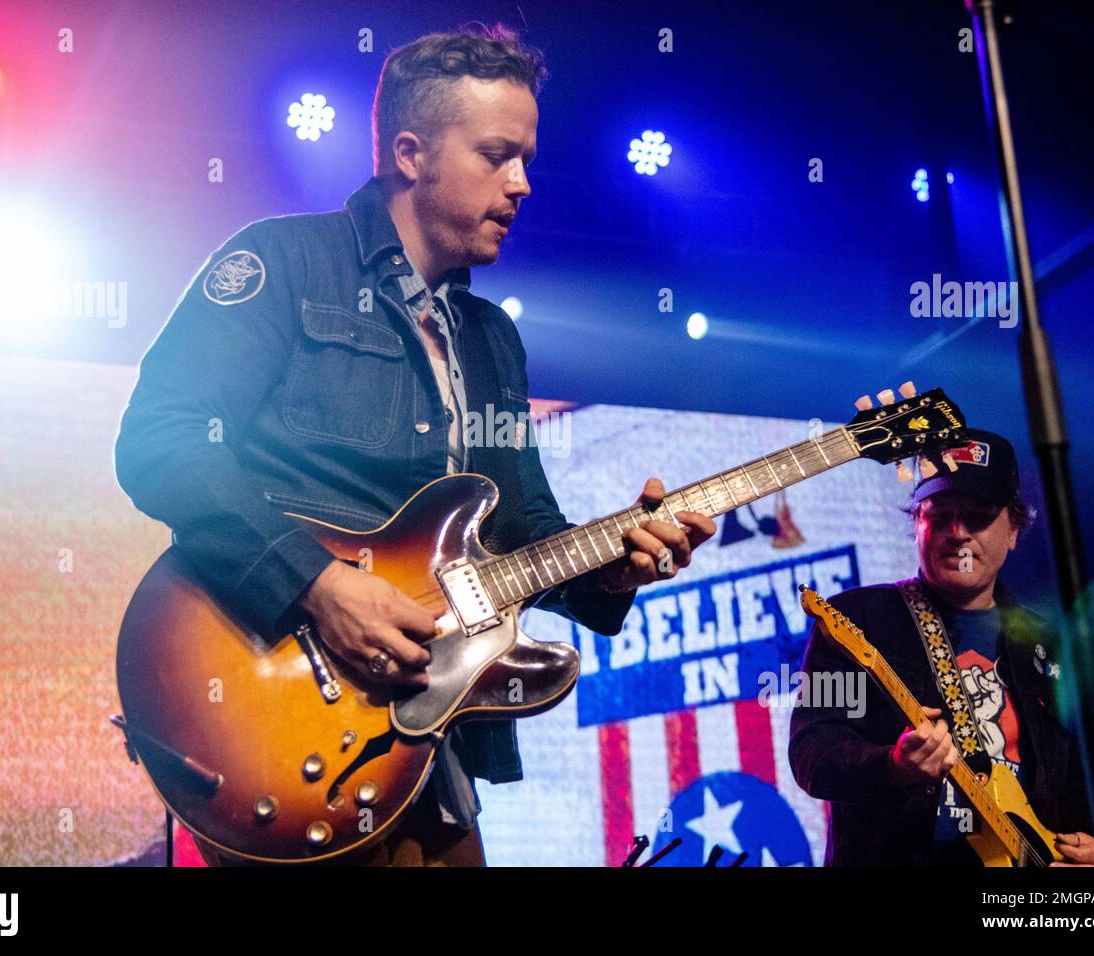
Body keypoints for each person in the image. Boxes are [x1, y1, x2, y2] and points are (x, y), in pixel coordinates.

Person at [113, 24, 715, 866]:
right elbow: (158, 443)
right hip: (282, 723)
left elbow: (526, 526)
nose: (523, 184)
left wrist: (614, 563)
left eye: (527, 158)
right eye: (498, 155)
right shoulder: (281, 264)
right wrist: (317, 585)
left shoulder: (491, 338)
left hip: (429, 744)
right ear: (411, 153)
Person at [788, 428, 1094, 866]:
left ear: (1013, 529)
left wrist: (1092, 848)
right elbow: (812, 752)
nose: (957, 532)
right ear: (916, 524)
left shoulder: (1048, 646)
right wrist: (891, 766)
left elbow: (1077, 779)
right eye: (939, 514)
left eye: (977, 516)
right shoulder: (856, 619)